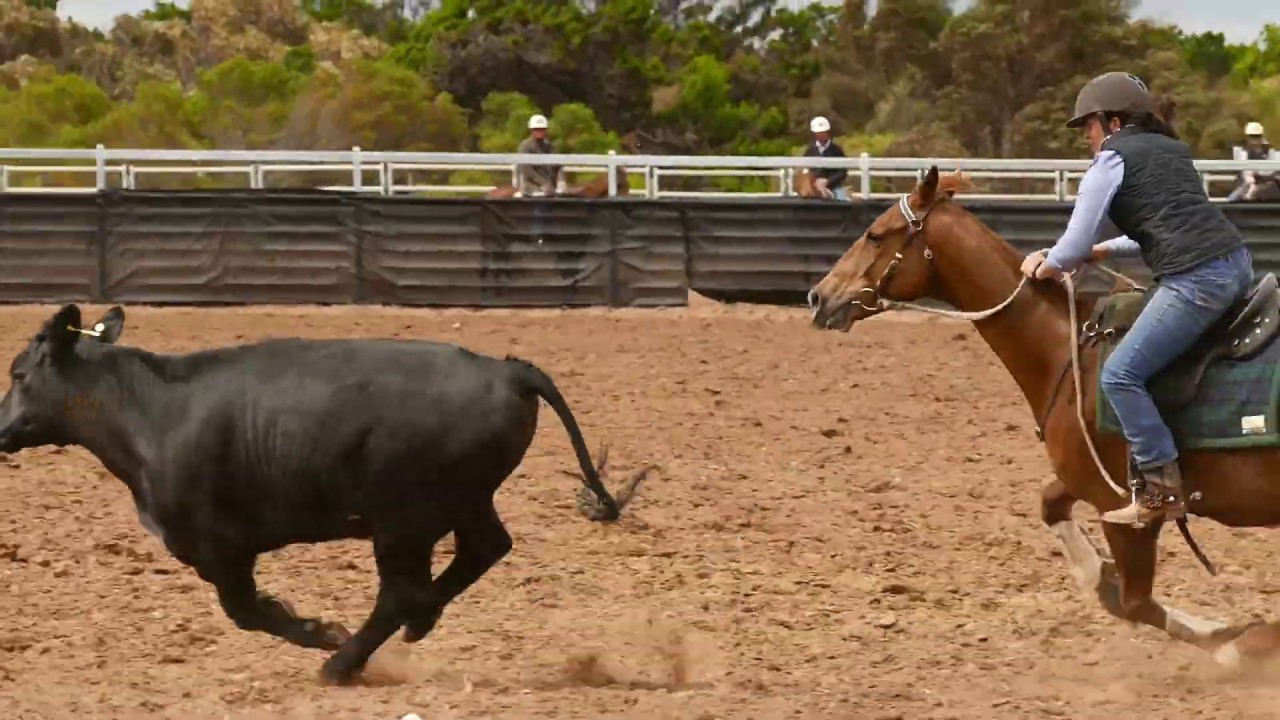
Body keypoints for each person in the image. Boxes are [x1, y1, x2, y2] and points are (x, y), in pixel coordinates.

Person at [1019, 71, 1255, 526]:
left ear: (1112, 122)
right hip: (1234, 263)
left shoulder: (1111, 159)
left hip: (1196, 279)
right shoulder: (1173, 151)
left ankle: (1161, 487)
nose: (1087, 137)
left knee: (1120, 374)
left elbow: (1069, 245)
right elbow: (1168, 225)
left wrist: (1045, 264)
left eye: (1088, 126)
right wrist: (1105, 249)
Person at [1227, 122, 1278, 202]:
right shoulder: (1242, 152)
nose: (1255, 140)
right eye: (1252, 137)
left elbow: (1271, 171)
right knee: (1230, 201)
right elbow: (1245, 175)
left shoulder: (1270, 152)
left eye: (1257, 137)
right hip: (1247, 186)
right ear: (1247, 138)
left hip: (1267, 186)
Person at [803, 116, 849, 200]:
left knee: (844, 202)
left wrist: (828, 181)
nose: (821, 134)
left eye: (823, 132)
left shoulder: (836, 150)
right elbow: (805, 170)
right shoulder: (810, 150)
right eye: (818, 132)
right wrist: (814, 182)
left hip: (834, 188)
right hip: (813, 189)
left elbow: (843, 172)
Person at [516, 114, 562, 197]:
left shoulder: (549, 147)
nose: (539, 132)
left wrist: (558, 183)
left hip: (549, 186)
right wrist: (543, 183)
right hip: (530, 185)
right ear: (531, 130)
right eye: (536, 129)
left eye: (542, 129)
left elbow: (557, 166)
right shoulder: (525, 146)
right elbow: (527, 171)